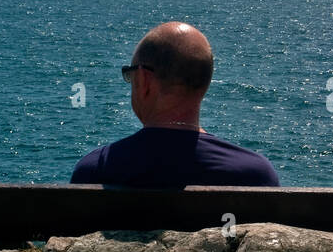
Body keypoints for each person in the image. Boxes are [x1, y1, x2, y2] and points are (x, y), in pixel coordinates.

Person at [72, 21, 279, 187]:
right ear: (204, 83)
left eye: (130, 75)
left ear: (144, 80)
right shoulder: (255, 176)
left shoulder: (94, 171)